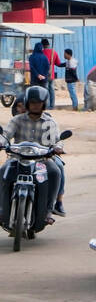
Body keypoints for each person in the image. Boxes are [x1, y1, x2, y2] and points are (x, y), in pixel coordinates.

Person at [1, 85, 66, 217]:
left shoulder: (50, 122)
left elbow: (57, 140)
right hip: (17, 158)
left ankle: (48, 210)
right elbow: (6, 135)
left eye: (39, 103)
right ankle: (2, 208)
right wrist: (1, 142)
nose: (35, 106)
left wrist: (58, 147)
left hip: (42, 160)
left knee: (55, 172)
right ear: (27, 103)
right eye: (32, 103)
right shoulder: (17, 120)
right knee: (3, 171)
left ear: (44, 104)